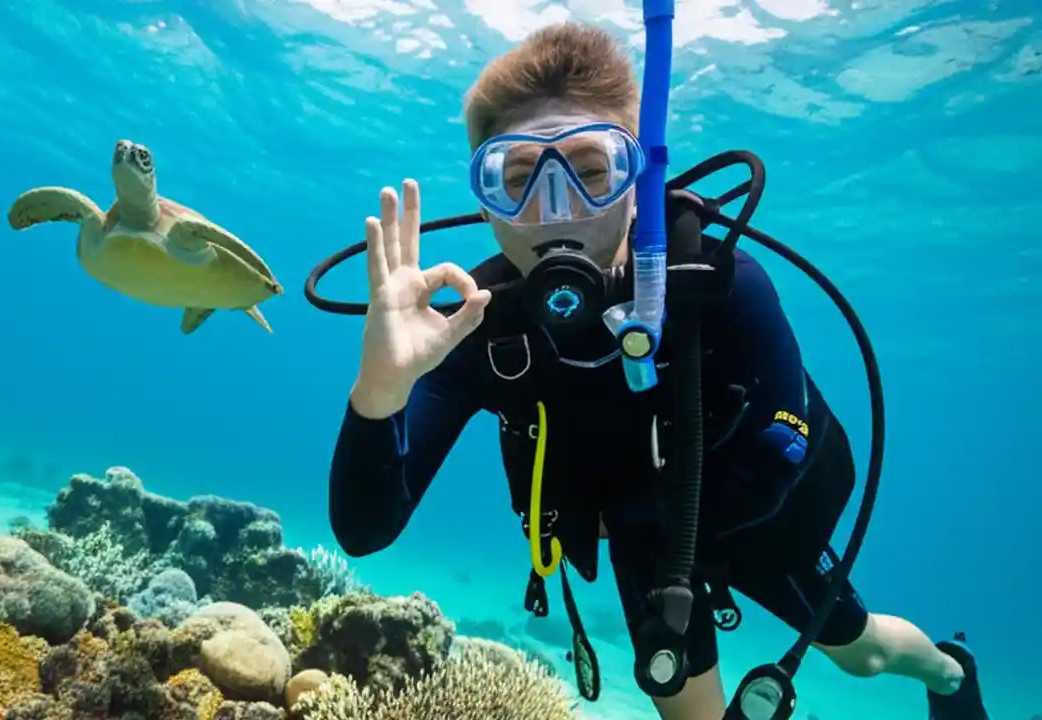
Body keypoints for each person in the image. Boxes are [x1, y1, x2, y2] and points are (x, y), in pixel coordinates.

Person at [325, 20, 989, 720]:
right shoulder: (475, 327)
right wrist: (381, 389)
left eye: (589, 170)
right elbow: (366, 532)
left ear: (640, 177)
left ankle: (948, 671)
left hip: (757, 522)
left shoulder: (717, 285)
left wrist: (648, 522)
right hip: (643, 539)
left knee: (862, 655)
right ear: (487, 201)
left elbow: (785, 449)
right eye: (515, 179)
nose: (553, 210)